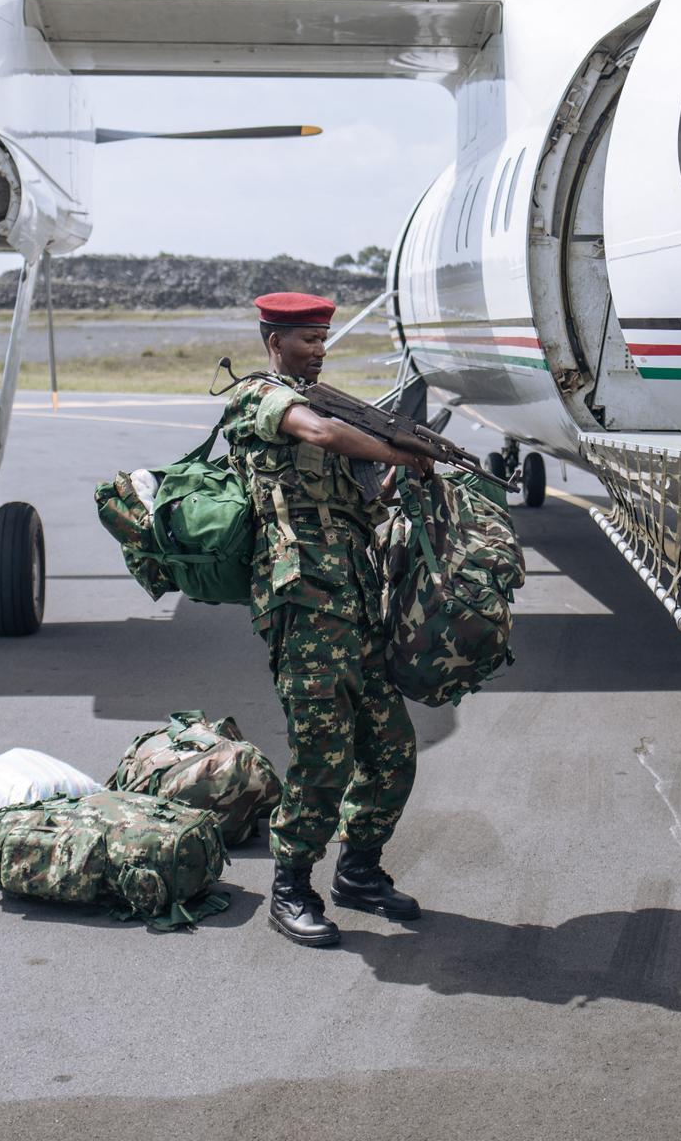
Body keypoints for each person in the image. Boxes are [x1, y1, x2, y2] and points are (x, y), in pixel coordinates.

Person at [220, 291, 432, 947]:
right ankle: (291, 887)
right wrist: (397, 447)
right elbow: (316, 433)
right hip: (304, 598)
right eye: (307, 339)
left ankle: (360, 871)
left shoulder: (330, 406)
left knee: (392, 749)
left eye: (323, 339)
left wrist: (400, 477)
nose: (319, 350)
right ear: (273, 340)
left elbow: (360, 496)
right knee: (322, 751)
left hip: (355, 599)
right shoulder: (257, 397)